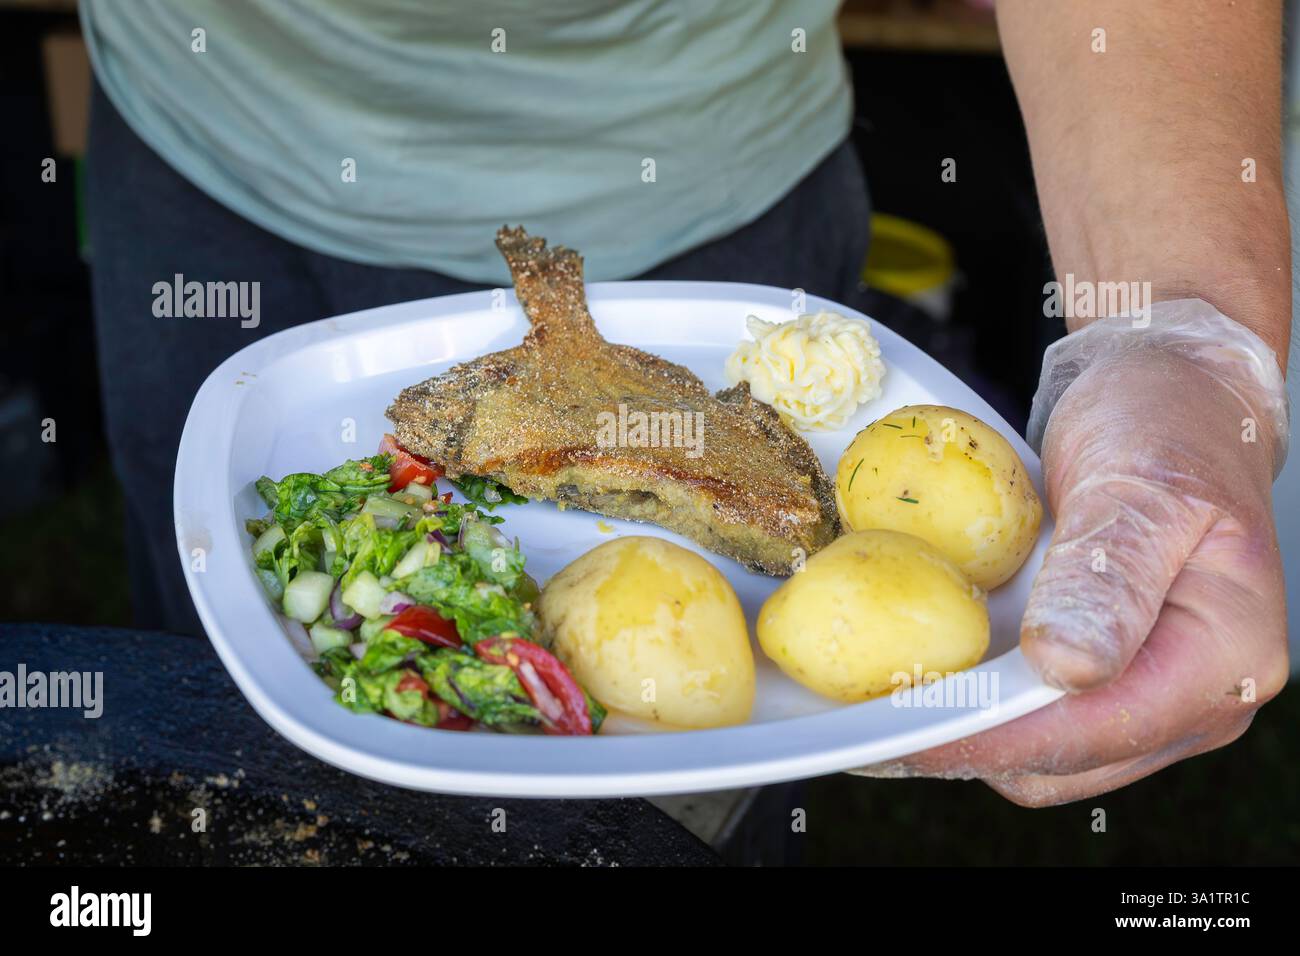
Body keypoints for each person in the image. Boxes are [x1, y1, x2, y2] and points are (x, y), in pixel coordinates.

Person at [80, 0, 1290, 806]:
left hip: (716, 179)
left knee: (678, 810)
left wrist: (1182, 329)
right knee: (223, 728)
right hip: (201, 149)